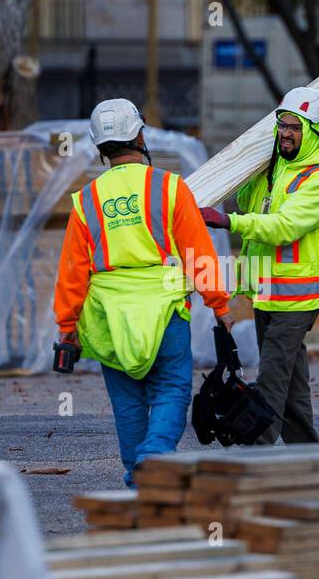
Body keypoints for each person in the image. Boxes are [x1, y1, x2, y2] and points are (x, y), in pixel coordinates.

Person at [54, 98, 234, 488]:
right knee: (171, 390)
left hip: (108, 317)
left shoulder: (86, 201)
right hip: (164, 309)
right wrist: (219, 305)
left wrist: (68, 326)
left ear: (100, 147)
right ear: (139, 135)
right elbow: (197, 253)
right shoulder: (170, 188)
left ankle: (137, 477)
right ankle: (153, 460)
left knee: (128, 402)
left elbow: (72, 271)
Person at [200, 86, 319, 445]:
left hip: (298, 299)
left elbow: (284, 228)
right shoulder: (279, 168)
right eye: (282, 126)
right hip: (269, 293)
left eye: (295, 127)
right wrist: (250, 166)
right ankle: (307, 459)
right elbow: (251, 203)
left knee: (271, 381)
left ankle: (254, 457)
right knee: (292, 385)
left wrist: (229, 222)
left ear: (315, 131)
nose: (286, 134)